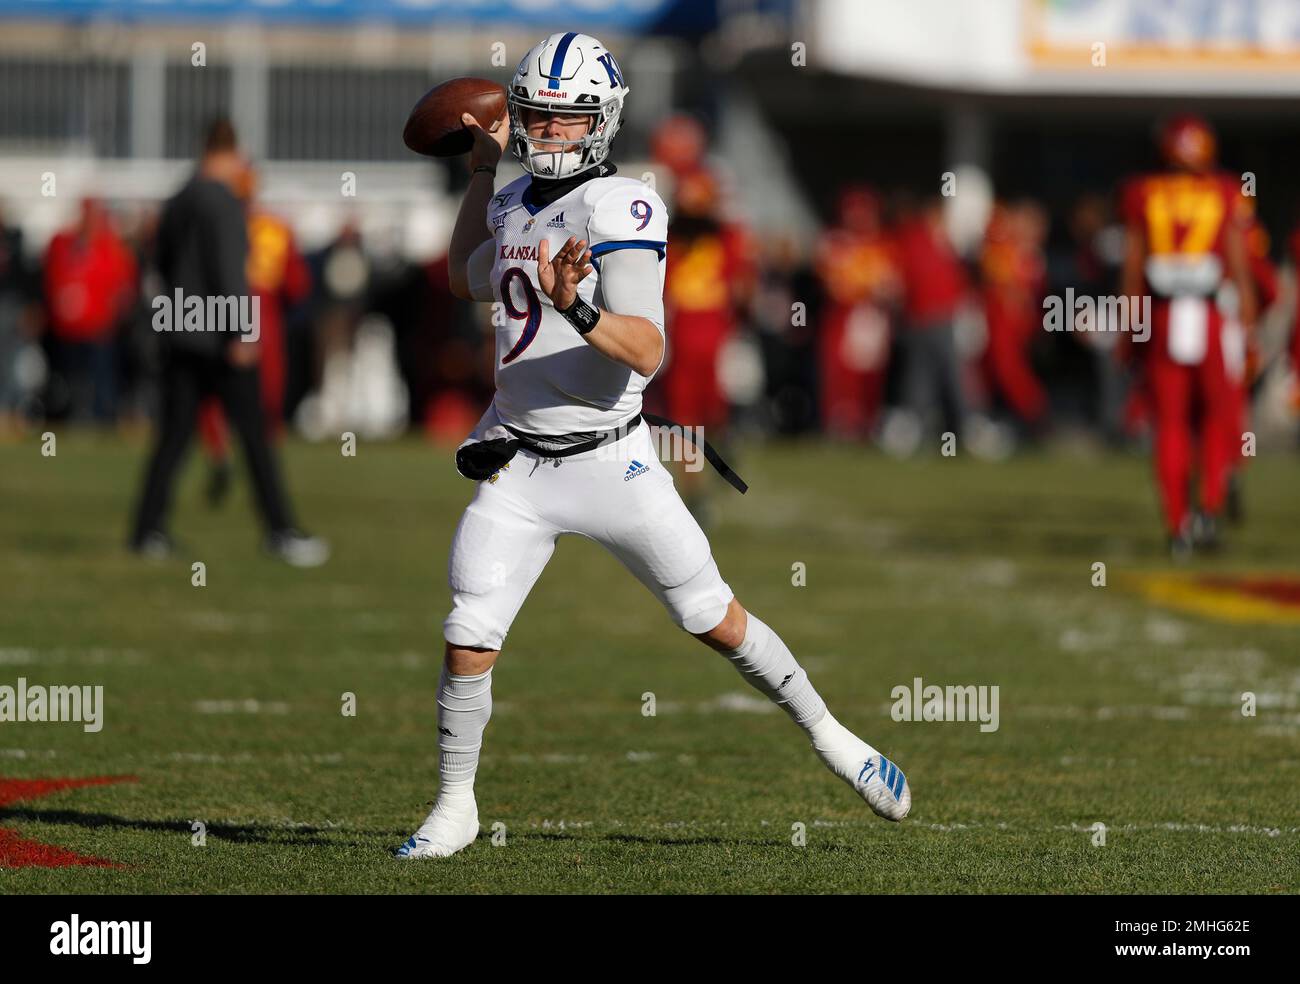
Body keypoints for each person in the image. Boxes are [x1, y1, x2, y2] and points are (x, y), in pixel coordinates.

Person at [396, 32, 910, 860]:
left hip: (612, 460)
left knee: (715, 618)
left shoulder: (621, 205)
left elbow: (648, 349)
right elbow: (464, 273)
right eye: (538, 118)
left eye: (567, 121)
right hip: (521, 461)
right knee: (468, 633)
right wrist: (482, 173)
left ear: (600, 123)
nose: (550, 133)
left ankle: (831, 735)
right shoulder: (515, 192)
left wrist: (579, 308)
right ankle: (455, 805)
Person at [128, 118, 326, 566]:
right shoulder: (222, 200)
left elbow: (158, 265)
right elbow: (228, 270)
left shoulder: (178, 199)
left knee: (173, 437)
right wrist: (241, 330)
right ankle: (281, 530)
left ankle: (146, 531)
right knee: (255, 437)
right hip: (219, 335)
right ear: (231, 151)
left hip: (181, 328)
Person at [1119, 114, 1256, 557]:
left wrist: (1130, 326)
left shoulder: (1143, 191)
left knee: (1171, 425)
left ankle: (1178, 525)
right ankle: (1209, 509)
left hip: (1161, 315)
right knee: (1216, 417)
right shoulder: (1223, 189)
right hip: (1211, 313)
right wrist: (1249, 318)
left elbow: (1133, 266)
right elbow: (1237, 260)